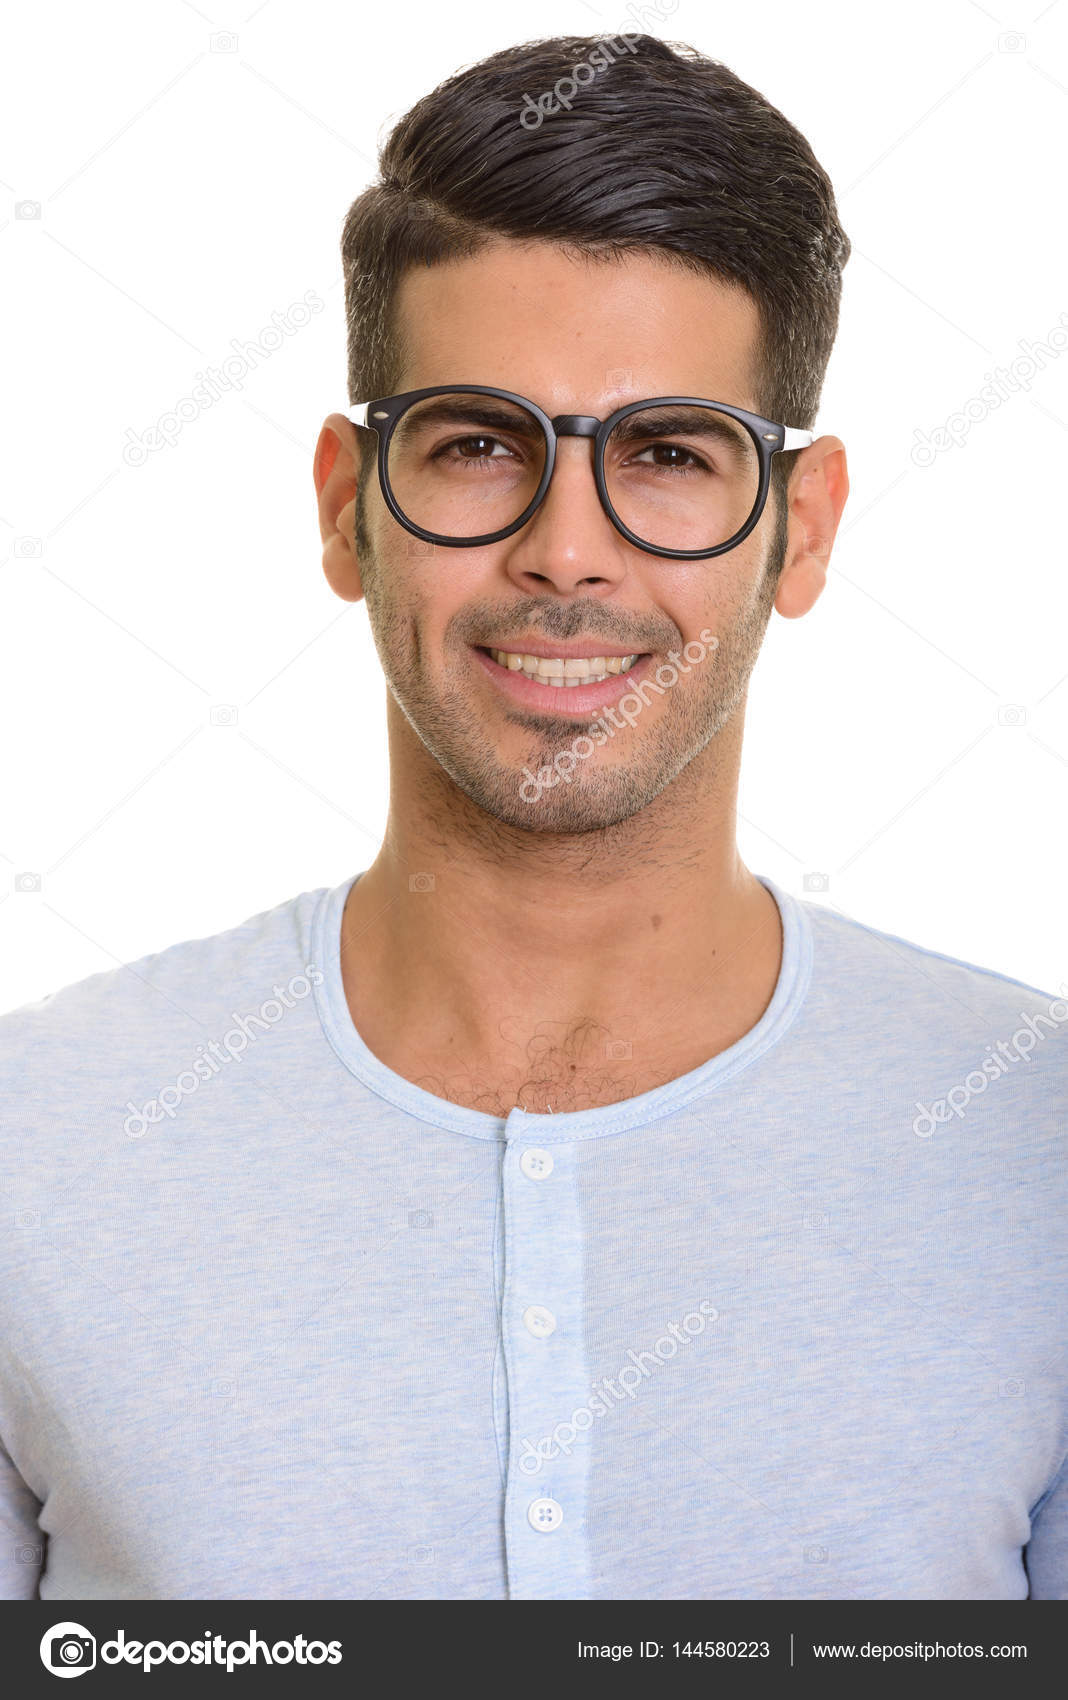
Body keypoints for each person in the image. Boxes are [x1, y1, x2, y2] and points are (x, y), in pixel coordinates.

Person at [1, 33, 1064, 1603]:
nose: (568, 552)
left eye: (669, 454)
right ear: (344, 506)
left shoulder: (1034, 1153)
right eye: (483, 445)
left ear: (803, 529)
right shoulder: (40, 1143)